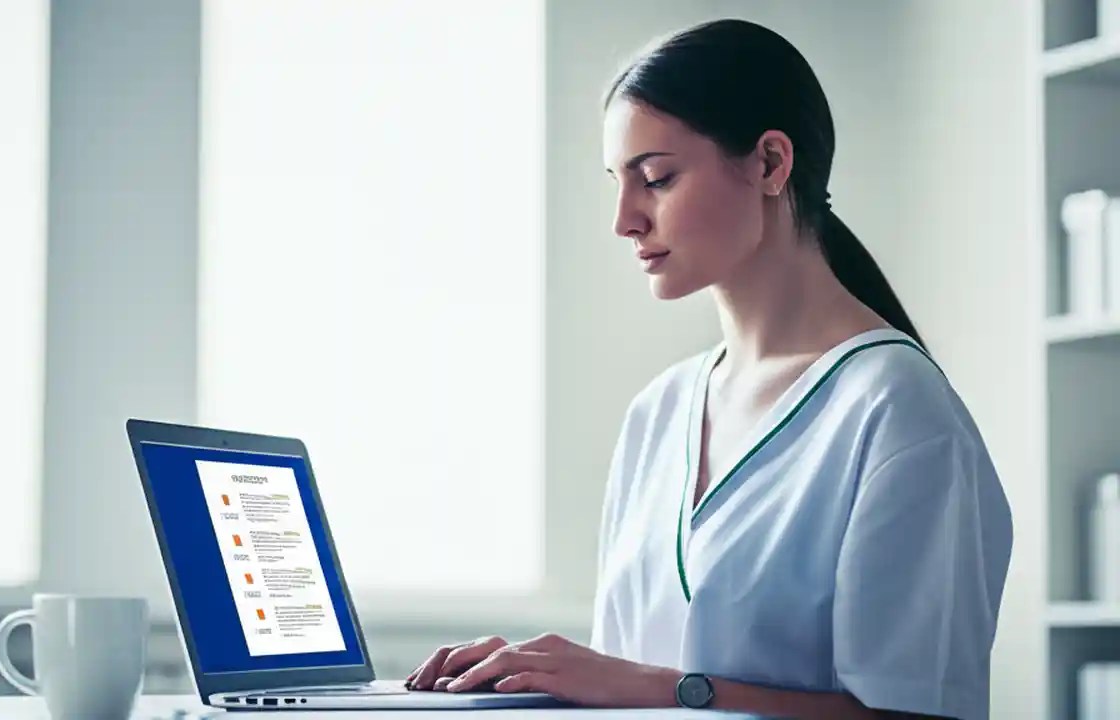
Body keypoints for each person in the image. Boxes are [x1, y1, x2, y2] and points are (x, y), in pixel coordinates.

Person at [404, 18, 1012, 720]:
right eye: (617, 182)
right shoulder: (658, 412)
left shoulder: (897, 412)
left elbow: (918, 714)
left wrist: (663, 689)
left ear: (771, 164)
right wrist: (537, 680)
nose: (625, 220)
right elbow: (622, 679)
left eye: (656, 178)